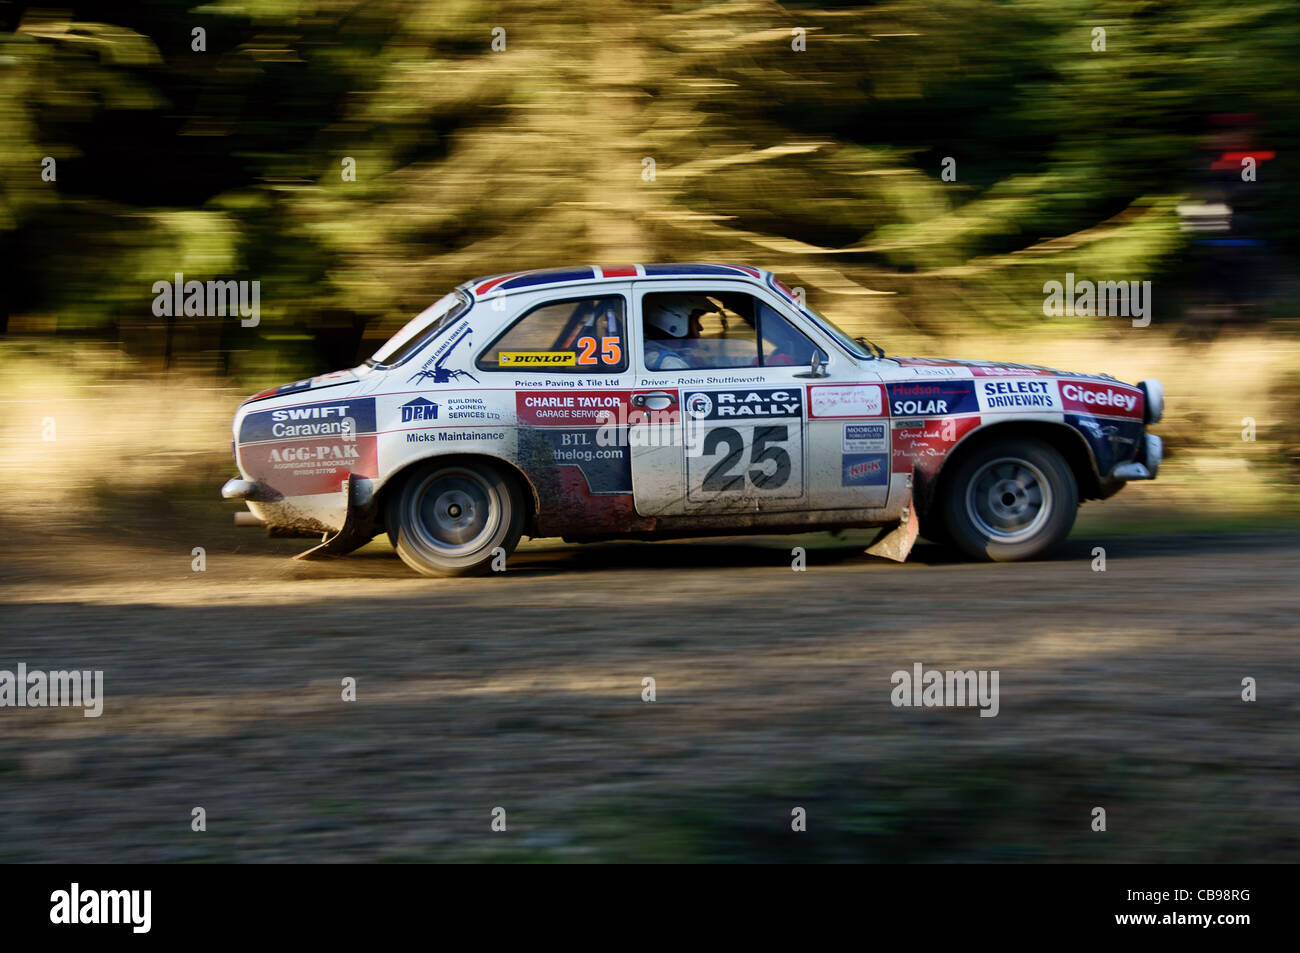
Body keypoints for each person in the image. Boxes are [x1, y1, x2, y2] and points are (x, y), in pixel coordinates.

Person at [643, 295, 716, 370]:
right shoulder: (670, 364)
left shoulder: (677, 356)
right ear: (674, 321)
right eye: (696, 320)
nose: (701, 328)